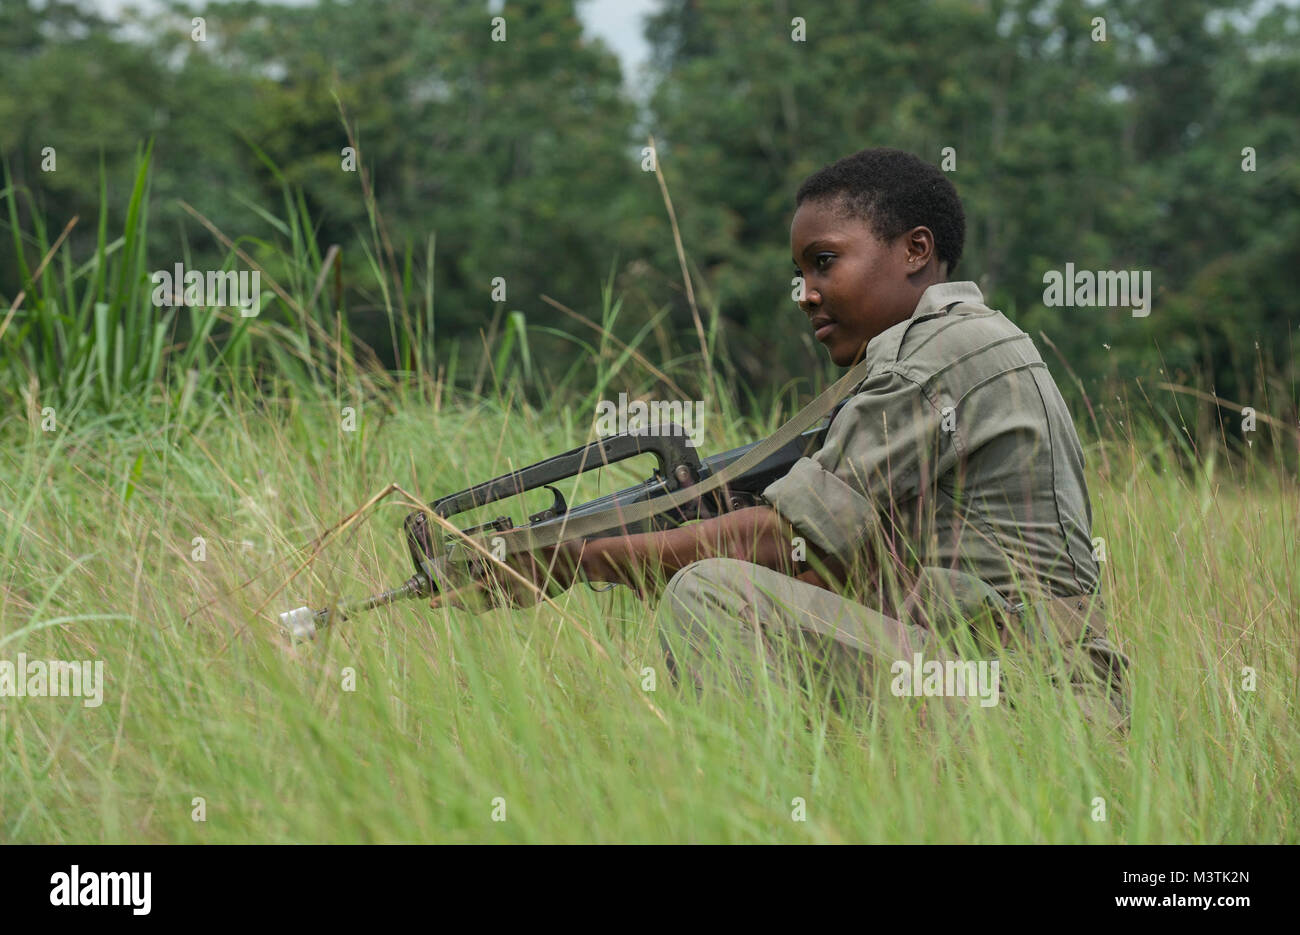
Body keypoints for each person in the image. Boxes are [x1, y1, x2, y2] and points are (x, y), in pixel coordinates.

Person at [471, 147, 1128, 727]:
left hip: (1023, 696)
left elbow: (784, 537)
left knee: (711, 593)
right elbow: (829, 565)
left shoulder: (932, 359)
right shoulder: (969, 341)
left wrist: (577, 554)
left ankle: (749, 809)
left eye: (825, 262)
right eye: (802, 272)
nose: (806, 293)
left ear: (915, 251)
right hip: (1039, 692)